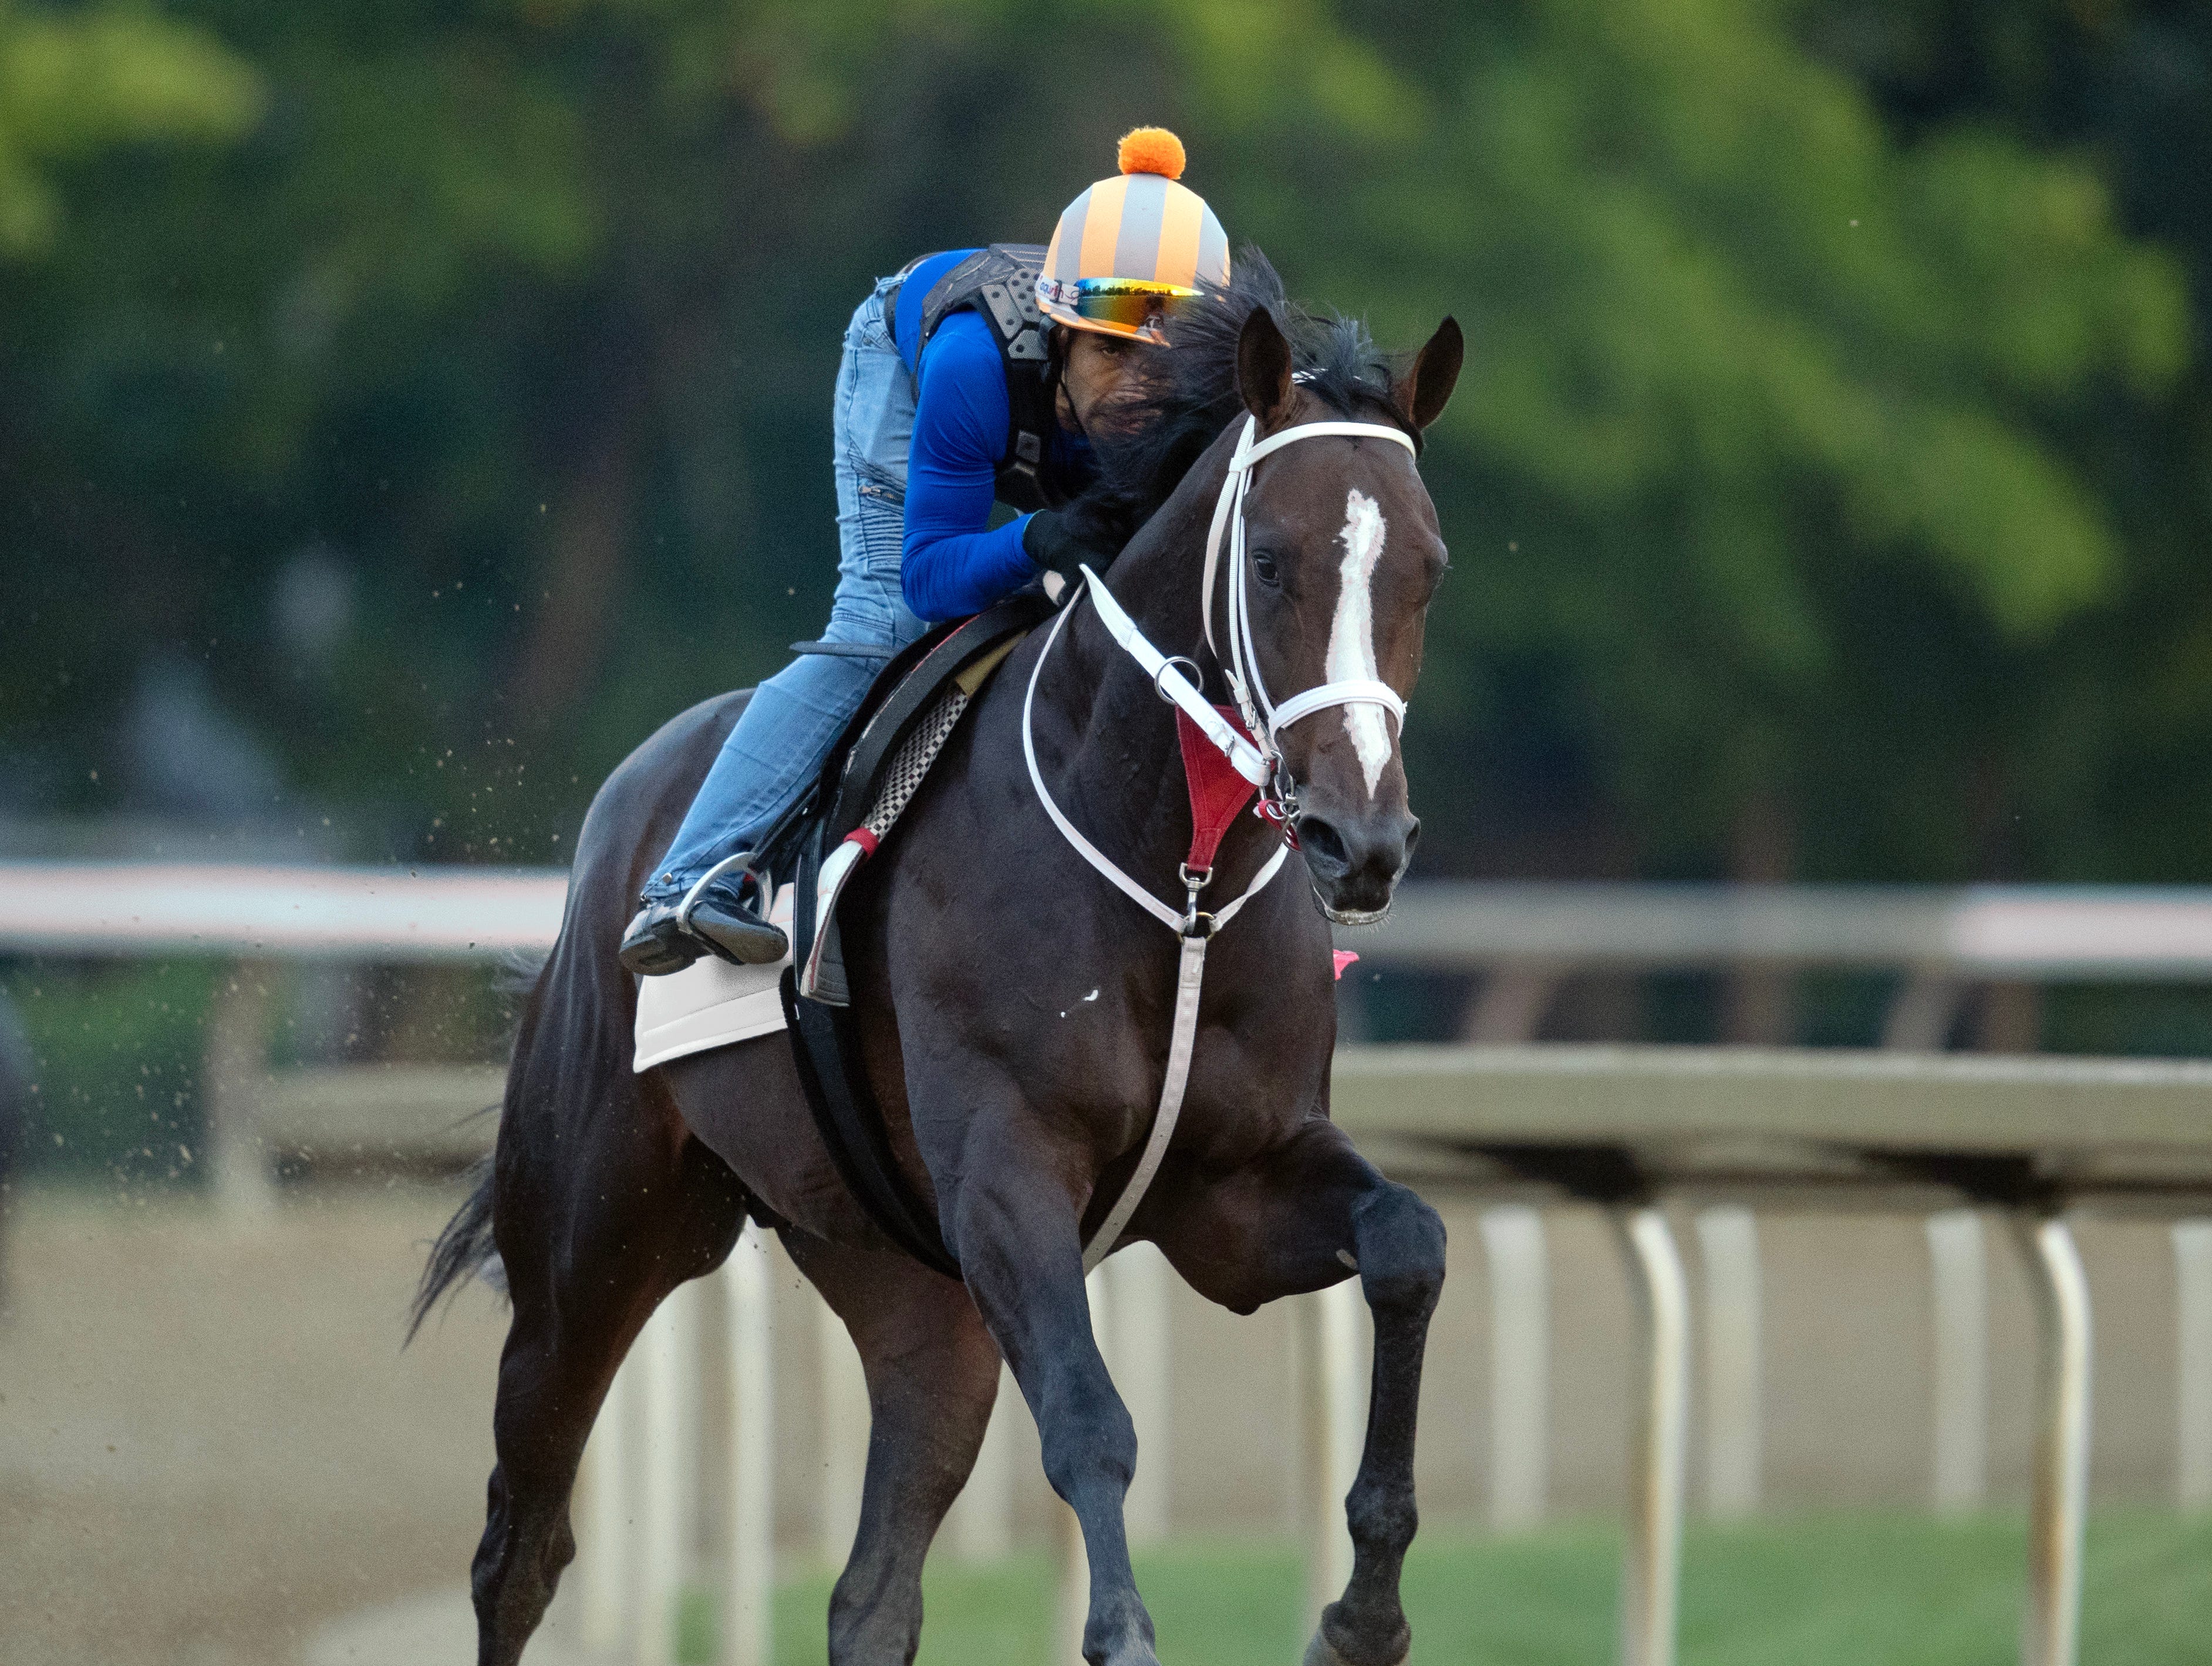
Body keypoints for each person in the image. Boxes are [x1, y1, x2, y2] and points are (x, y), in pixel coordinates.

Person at [620, 127, 1231, 976]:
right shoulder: (969, 368)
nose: (1135, 392)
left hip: (1035, 414)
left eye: (1162, 369)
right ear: (1060, 335)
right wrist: (1033, 537)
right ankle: (690, 879)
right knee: (886, 621)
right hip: (903, 364)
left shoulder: (1188, 406)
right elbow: (931, 574)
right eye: (1111, 351)